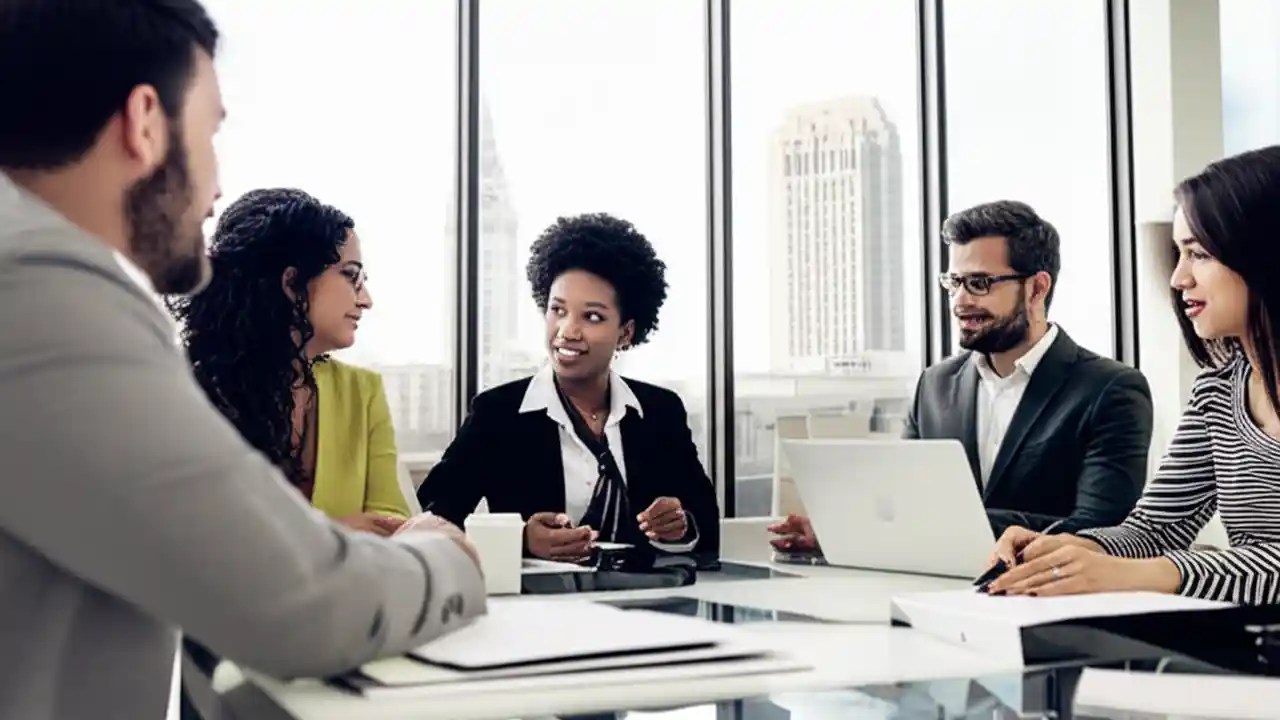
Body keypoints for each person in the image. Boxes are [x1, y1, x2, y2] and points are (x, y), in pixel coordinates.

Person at [0, 2, 482, 718]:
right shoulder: (44, 290)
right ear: (144, 123)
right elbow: (299, 604)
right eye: (213, 130)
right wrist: (450, 559)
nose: (217, 187)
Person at [987, 146, 1280, 605]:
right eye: (1178, 255)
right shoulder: (1218, 394)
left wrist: (1150, 572)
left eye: (1199, 254)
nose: (1178, 278)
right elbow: (1157, 527)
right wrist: (1072, 548)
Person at [771, 200, 1153, 552]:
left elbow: (1101, 529)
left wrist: (946, 524)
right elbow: (902, 506)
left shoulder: (1111, 389)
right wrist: (843, 530)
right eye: (954, 283)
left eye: (980, 283)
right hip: (933, 597)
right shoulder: (933, 387)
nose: (960, 301)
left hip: (1049, 608)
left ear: (1037, 288)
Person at [417, 212, 720, 560]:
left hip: (648, 601)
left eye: (592, 317)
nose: (567, 331)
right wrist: (519, 539)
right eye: (557, 310)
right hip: (543, 608)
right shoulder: (499, 412)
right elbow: (431, 518)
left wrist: (680, 526)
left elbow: (707, 525)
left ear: (625, 333)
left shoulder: (660, 411)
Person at [170, 188, 411, 534]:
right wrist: (335, 533)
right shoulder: (188, 388)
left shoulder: (363, 391)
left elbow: (391, 523)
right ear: (292, 282)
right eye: (350, 274)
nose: (366, 300)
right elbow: (194, 533)